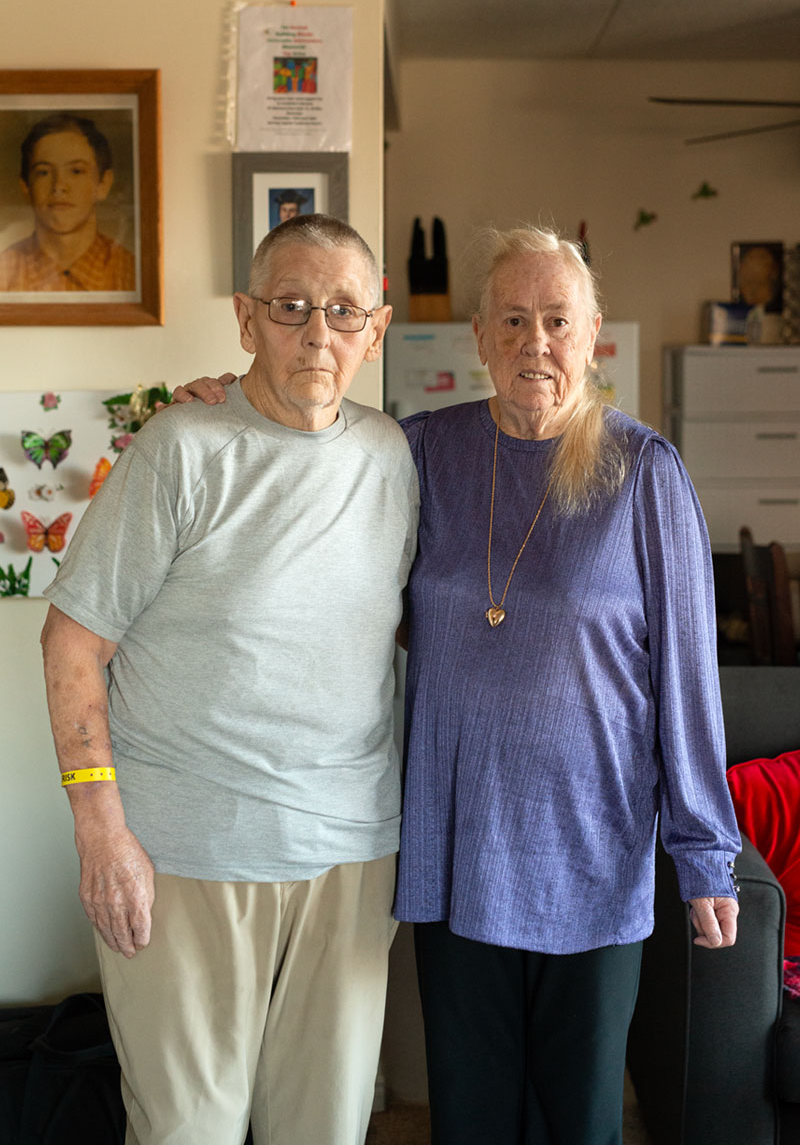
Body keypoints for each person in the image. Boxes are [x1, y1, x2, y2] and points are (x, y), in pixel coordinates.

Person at [178, 223, 741, 1145]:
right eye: (511, 319)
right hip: (460, 843)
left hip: (592, 852)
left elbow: (687, 678)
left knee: (580, 1121)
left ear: (592, 335)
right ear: (478, 336)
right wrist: (218, 407)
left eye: (557, 320)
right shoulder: (420, 451)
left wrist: (705, 850)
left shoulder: (643, 472)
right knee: (470, 1116)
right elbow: (306, 460)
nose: (534, 342)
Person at [40, 213, 419, 1145]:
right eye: (292, 307)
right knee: (187, 1130)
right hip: (188, 854)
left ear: (376, 330)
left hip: (352, 853)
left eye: (343, 310)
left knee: (325, 1128)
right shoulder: (179, 447)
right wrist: (101, 832)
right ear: (247, 320)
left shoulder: (394, 456)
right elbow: (72, 644)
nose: (318, 333)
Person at [0, 112, 135, 292]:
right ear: (26, 187)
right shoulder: (4, 271)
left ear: (103, 184)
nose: (59, 186)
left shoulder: (131, 274)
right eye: (43, 172)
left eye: (76, 171)